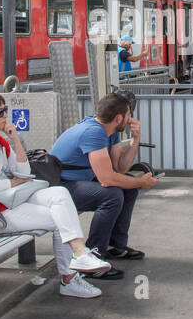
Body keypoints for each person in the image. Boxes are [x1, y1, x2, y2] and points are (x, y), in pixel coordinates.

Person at [0, 93, 110, 298]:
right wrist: (15, 182)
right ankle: (70, 279)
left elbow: (24, 171)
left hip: (12, 200)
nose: (4, 116)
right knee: (59, 220)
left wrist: (15, 139)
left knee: (60, 194)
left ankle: (80, 253)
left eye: (5, 110)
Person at [50, 92, 157, 268]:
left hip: (78, 180)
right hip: (61, 186)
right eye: (129, 114)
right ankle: (94, 254)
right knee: (112, 195)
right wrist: (141, 182)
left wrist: (135, 139)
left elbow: (120, 169)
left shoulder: (110, 130)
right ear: (118, 118)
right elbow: (107, 179)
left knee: (126, 187)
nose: (130, 119)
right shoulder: (94, 132)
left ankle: (113, 245)